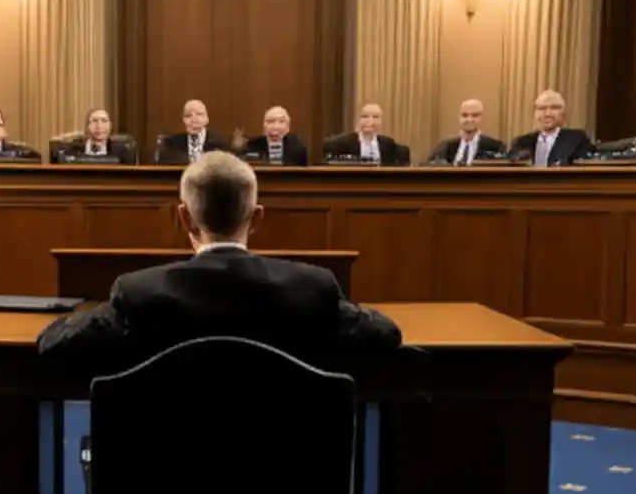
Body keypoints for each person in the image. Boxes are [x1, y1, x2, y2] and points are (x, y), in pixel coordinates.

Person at [37, 150, 402, 365]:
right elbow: (386, 333)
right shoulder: (310, 288)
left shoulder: (140, 293)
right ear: (257, 217)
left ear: (183, 217)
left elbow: (53, 344)